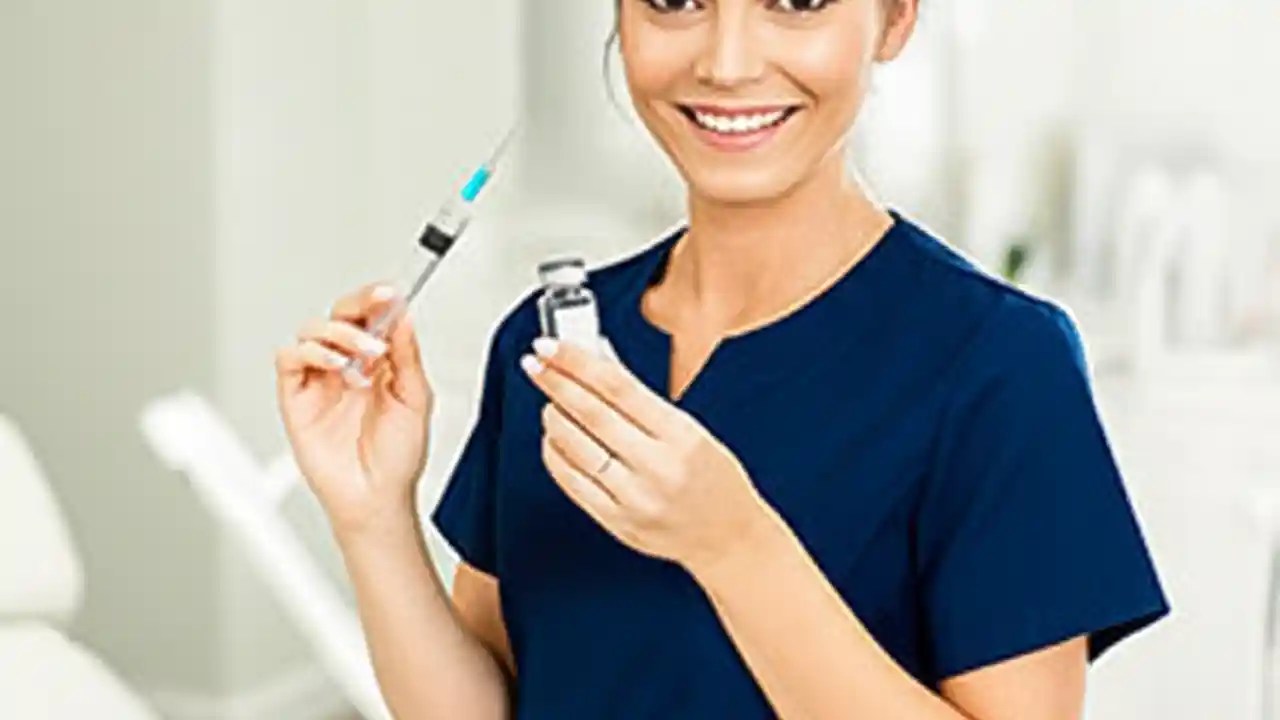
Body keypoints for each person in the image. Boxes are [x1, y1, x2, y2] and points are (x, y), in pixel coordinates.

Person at [275, 0, 1169, 717]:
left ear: (896, 19)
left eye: (797, 1)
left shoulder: (1000, 364)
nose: (727, 60)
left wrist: (732, 544)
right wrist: (370, 518)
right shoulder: (549, 342)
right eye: (674, 0)